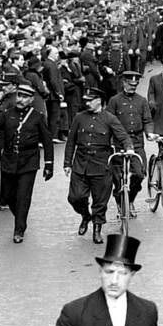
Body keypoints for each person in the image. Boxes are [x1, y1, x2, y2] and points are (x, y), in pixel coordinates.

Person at [64, 86, 133, 245]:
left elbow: (123, 136)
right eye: (86, 100)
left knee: (100, 201)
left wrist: (128, 148)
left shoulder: (109, 118)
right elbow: (71, 142)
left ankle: (97, 229)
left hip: (102, 165)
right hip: (80, 164)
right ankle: (85, 215)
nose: (86, 103)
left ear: (99, 101)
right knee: (75, 197)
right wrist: (67, 163)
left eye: (90, 100)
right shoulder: (79, 118)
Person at [0, 80, 54, 243]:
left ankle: (19, 229)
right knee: (9, 196)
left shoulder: (37, 117)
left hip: (29, 161)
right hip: (10, 160)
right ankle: (20, 217)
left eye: (25, 97)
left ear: (31, 100)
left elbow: (47, 141)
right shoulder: (7, 113)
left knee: (23, 196)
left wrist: (49, 164)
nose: (21, 100)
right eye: (19, 96)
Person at [106, 70, 152, 218]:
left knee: (139, 174)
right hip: (119, 144)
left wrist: (149, 132)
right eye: (130, 84)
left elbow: (147, 120)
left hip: (137, 143)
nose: (133, 87)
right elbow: (108, 121)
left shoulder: (142, 101)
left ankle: (130, 199)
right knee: (119, 177)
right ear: (124, 83)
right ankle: (120, 202)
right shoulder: (114, 101)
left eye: (135, 85)